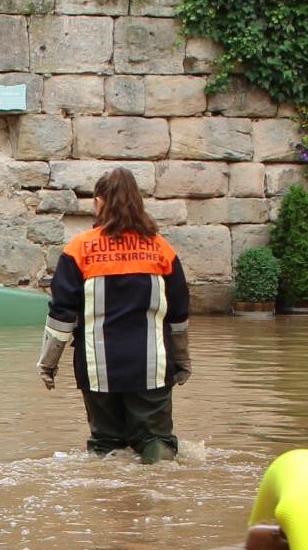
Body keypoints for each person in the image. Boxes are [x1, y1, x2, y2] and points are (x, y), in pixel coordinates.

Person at [37, 167, 191, 464]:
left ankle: (105, 504)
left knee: (106, 447)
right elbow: (179, 313)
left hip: (97, 370)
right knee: (157, 444)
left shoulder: (78, 250)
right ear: (138, 202)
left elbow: (61, 315)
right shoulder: (161, 249)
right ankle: (158, 499)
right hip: (152, 368)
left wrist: (48, 364)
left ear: (99, 202)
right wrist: (183, 360)